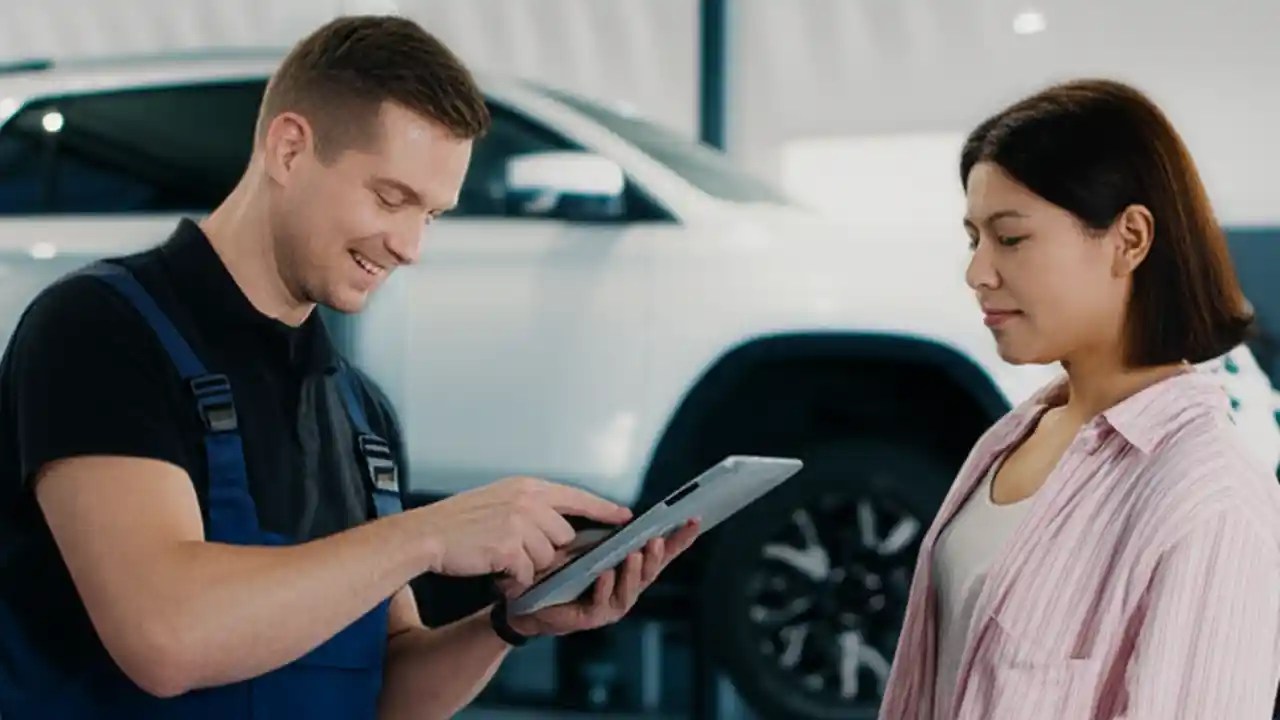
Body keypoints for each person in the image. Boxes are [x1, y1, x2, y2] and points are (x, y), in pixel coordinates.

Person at [0, 14, 698, 720]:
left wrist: (510, 625)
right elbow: (167, 635)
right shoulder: (100, 332)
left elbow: (387, 692)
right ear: (289, 149)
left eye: (432, 215)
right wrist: (427, 535)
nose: (410, 247)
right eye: (391, 198)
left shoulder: (362, 418)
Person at [878, 78, 1280, 719]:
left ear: (1130, 239)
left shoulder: (1209, 495)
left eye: (1010, 238)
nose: (977, 273)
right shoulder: (1013, 436)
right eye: (974, 239)